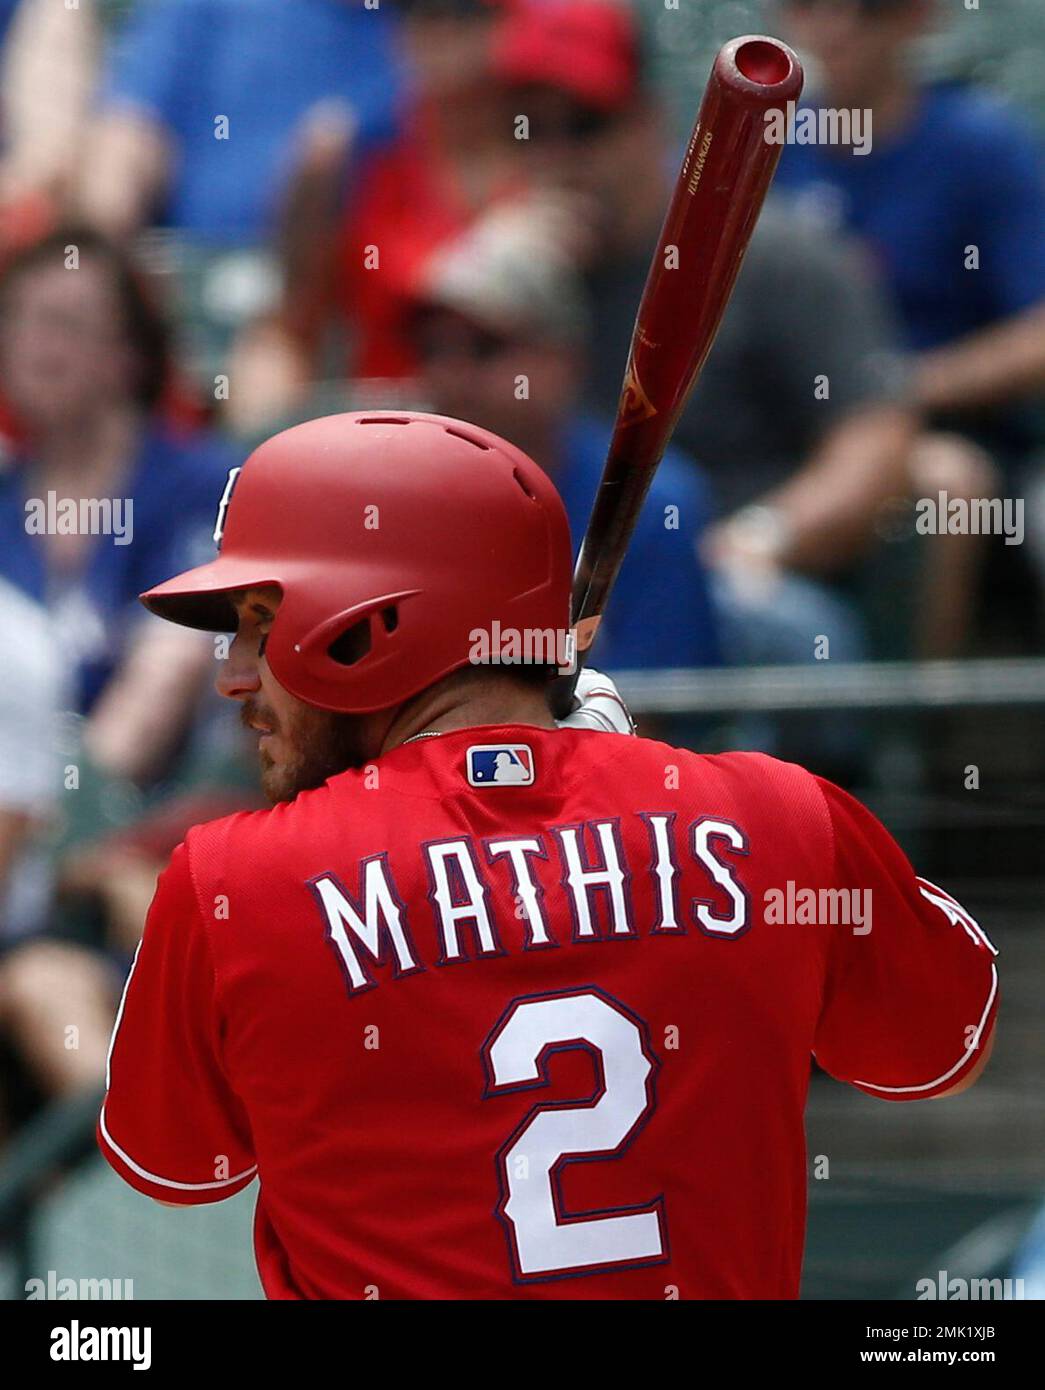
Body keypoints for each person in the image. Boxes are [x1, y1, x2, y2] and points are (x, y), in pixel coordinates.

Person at [98, 410, 998, 1300]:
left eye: (260, 623)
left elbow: (177, 1163)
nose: (234, 676)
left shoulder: (229, 883)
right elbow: (937, 1044)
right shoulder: (779, 815)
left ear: (366, 625)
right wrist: (627, 783)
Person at [403, 196, 720, 672]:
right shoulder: (394, 498)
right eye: (432, 349)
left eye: (485, 348)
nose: (450, 374)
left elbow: (655, 717)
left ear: (562, 360)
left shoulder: (646, 502)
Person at [0, 227, 241, 783]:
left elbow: (168, 676)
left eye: (62, 323)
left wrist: (66, 816)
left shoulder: (205, 484)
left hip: (152, 815)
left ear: (127, 354)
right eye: (17, 319)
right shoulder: (5, 496)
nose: (34, 345)